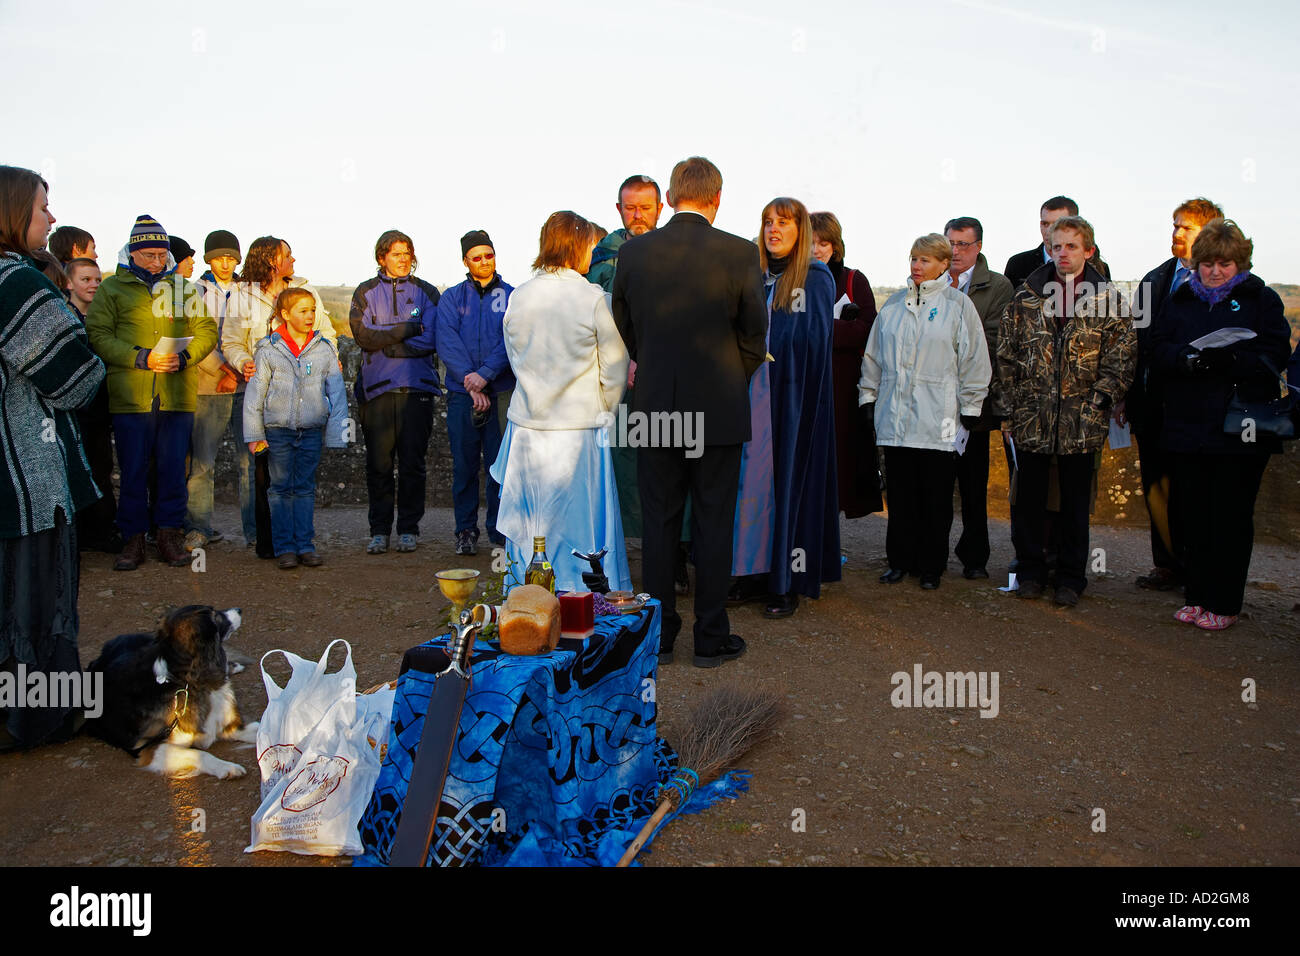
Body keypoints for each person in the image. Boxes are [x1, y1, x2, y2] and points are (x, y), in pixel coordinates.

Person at [612, 156, 768, 668]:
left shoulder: (635, 253)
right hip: (718, 409)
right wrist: (727, 378)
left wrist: (656, 367)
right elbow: (753, 333)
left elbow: (625, 327)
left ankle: (658, 637)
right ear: (717, 198)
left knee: (658, 523)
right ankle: (710, 636)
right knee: (713, 521)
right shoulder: (740, 252)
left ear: (672, 196)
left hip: (656, 405)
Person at [0, 166, 106, 749]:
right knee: (31, 604)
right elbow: (75, 380)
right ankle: (33, 719)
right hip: (25, 484)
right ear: (14, 213)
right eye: (43, 207)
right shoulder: (14, 283)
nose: (51, 218)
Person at [1149, 219, 1291, 631]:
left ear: (1240, 262)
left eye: (1224, 264)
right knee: (1191, 514)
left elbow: (1275, 351)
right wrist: (1184, 358)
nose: (1214, 271)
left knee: (1229, 516)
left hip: (1238, 428)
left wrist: (1230, 359)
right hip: (1187, 424)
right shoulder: (1180, 298)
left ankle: (1224, 602)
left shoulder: (1260, 299)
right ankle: (1196, 594)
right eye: (1207, 263)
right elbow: (1158, 347)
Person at [995, 216, 1134, 606]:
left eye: (1072, 246)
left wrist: (1099, 402)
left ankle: (1071, 579)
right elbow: (1005, 355)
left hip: (1082, 422)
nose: (1063, 254)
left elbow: (1121, 359)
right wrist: (1010, 411)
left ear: (1088, 251)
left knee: (1074, 506)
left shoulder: (1109, 301)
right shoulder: (1026, 297)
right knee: (1028, 504)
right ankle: (1029, 572)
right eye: (1057, 246)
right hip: (1031, 419)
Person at [490, 210, 631, 594]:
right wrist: (602, 409)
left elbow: (514, 356)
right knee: (581, 520)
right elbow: (615, 370)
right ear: (577, 246)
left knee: (535, 519)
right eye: (590, 246)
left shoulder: (519, 297)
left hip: (528, 427)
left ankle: (528, 592)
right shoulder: (593, 299)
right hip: (580, 430)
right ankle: (586, 593)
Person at [86, 215, 217, 570]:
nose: (158, 262)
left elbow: (206, 329)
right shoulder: (112, 290)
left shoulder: (184, 290)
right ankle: (132, 538)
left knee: (174, 468)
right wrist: (141, 358)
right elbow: (97, 335)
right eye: (150, 255)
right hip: (131, 395)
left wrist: (186, 355)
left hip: (176, 393)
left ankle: (168, 535)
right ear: (133, 253)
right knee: (132, 468)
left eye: (162, 255)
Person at [861, 234, 991, 590]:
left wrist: (971, 405)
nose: (917, 266)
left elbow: (974, 359)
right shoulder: (893, 306)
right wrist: (868, 398)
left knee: (936, 498)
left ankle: (931, 565)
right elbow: (873, 356)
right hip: (896, 418)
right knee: (900, 498)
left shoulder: (958, 306)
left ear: (942, 264)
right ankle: (899, 561)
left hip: (939, 420)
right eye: (913, 259)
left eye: (925, 260)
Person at [1124, 198, 1224, 592]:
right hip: (1155, 403)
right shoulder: (1154, 280)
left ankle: (1200, 570)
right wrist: (1130, 397)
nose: (1176, 233)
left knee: (1198, 489)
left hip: (1202, 406)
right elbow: (1136, 342)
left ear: (1211, 234)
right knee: (1157, 486)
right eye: (1175, 225)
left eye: (1187, 227)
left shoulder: (1225, 281)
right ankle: (1167, 564)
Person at [223, 236, 336, 554]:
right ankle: (263, 538)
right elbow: (231, 341)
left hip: (300, 397)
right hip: (256, 391)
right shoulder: (241, 296)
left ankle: (297, 542)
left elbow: (325, 334)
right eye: (288, 255)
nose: (294, 260)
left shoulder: (305, 290)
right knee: (255, 466)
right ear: (272, 260)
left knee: (297, 474)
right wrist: (243, 361)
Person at [756, 198, 839, 618]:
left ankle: (786, 581)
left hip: (793, 402)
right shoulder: (754, 276)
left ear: (800, 229)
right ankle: (751, 573)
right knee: (751, 491)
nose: (774, 230)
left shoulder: (816, 277)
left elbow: (813, 345)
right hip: (751, 400)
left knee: (789, 487)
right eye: (768, 222)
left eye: (783, 223)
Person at [349, 229, 441, 555]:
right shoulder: (365, 292)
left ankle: (408, 529)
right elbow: (363, 336)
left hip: (417, 388)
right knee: (379, 463)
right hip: (377, 390)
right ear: (381, 258)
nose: (403, 259)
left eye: (407, 253)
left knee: (413, 463)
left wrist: (387, 341)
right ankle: (379, 530)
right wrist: (406, 330)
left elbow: (431, 339)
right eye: (396, 253)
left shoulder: (427, 292)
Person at [244, 288, 348, 569]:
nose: (310, 316)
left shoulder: (324, 349)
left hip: (311, 430)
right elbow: (255, 394)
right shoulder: (268, 350)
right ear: (285, 315)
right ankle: (285, 548)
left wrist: (338, 433)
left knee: (303, 488)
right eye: (303, 311)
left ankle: (305, 545)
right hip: (277, 430)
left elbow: (337, 393)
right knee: (279, 490)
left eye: (313, 310)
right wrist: (255, 434)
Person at [944, 216, 1015, 579]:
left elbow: (993, 341)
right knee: (937, 484)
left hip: (975, 403)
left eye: (963, 245)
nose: (955, 251)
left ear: (979, 247)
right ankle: (932, 555)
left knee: (973, 485)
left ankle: (975, 558)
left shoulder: (999, 286)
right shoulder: (930, 280)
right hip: (934, 403)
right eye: (951, 243)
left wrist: (943, 350)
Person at [437, 229, 513, 555]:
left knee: (500, 466)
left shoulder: (513, 296)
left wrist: (485, 375)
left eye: (489, 255)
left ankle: (499, 529)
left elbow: (511, 340)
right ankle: (465, 530)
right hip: (461, 394)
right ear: (465, 260)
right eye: (476, 256)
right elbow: (446, 340)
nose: (484, 261)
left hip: (499, 394)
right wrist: (471, 380)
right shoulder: (452, 298)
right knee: (465, 466)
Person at [810, 210, 881, 521]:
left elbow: (868, 328)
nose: (816, 250)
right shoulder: (794, 280)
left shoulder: (853, 279)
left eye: (823, 243)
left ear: (835, 246)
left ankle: (830, 541)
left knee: (842, 459)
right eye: (810, 243)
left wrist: (823, 329)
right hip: (806, 383)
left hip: (844, 385)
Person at [187, 229, 251, 550]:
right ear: (208, 259)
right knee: (202, 462)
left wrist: (240, 371)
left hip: (245, 386)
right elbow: (192, 338)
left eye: (230, 258)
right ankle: (199, 528)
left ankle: (254, 533)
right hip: (209, 385)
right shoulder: (192, 292)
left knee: (248, 463)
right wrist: (223, 369)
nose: (225, 264)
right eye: (218, 258)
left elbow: (253, 336)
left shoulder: (249, 292)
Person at [64, 257, 119, 553]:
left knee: (101, 467)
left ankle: (102, 530)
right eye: (86, 280)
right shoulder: (63, 316)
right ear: (69, 283)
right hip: (73, 408)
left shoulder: (104, 317)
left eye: (97, 280)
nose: (93, 285)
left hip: (99, 406)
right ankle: (78, 534)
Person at [1004, 196, 1110, 290]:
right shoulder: (1018, 264)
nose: (1049, 230)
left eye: (1057, 224)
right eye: (1045, 224)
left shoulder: (1099, 269)